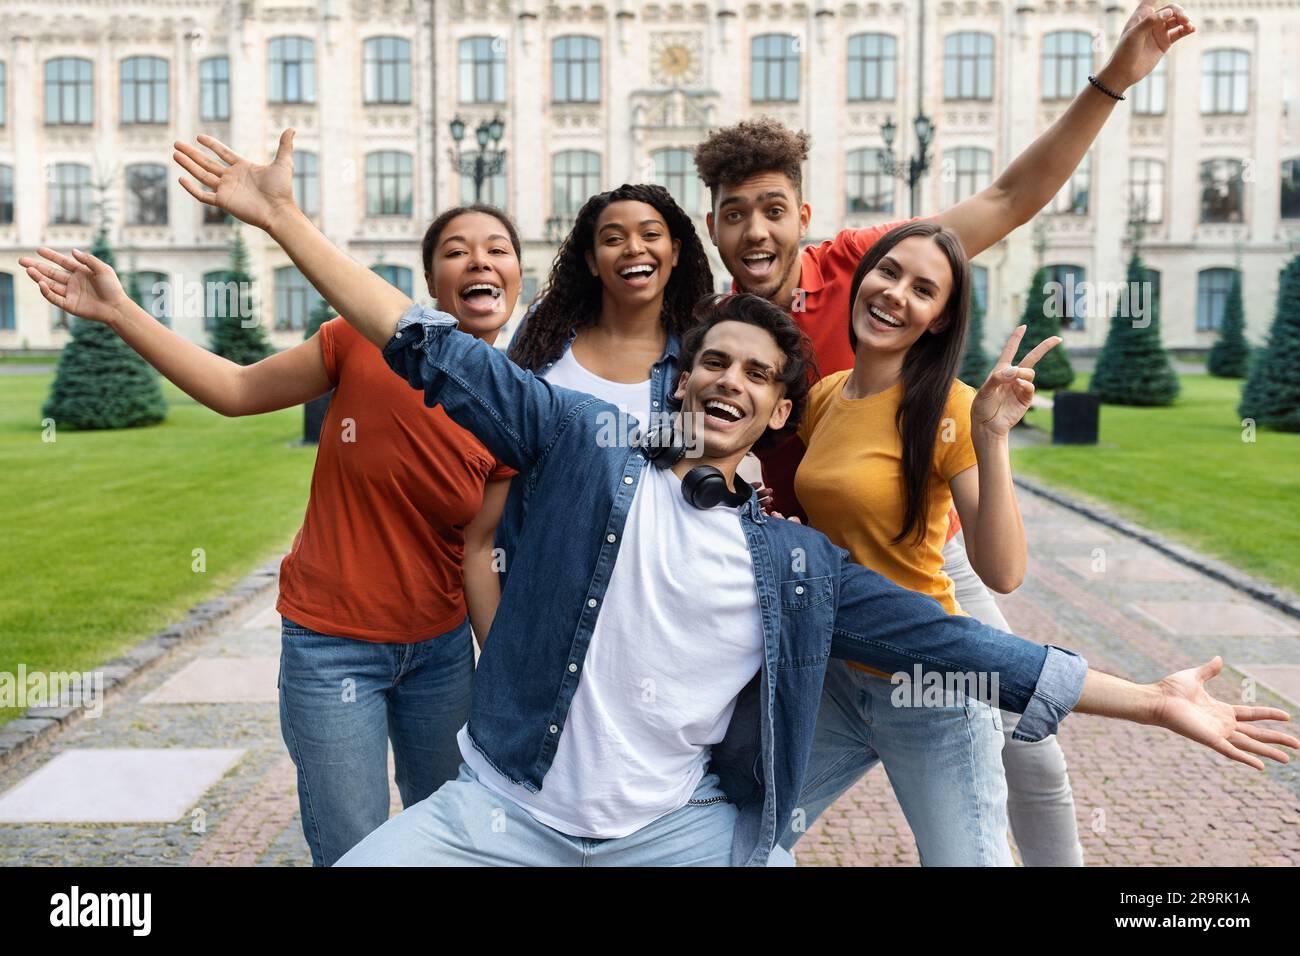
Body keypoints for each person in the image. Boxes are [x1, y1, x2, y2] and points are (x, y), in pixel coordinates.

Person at [152, 128, 1294, 866]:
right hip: (500, 815)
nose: (729, 381)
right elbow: (423, 343)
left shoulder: (792, 564)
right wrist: (284, 220)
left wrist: (1154, 700)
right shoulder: (579, 444)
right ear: (679, 377)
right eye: (712, 364)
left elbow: (963, 638)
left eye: (757, 372)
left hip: (675, 836)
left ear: (779, 411)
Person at [694, 0, 1196, 863]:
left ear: (803, 216)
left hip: (926, 554)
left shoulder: (869, 266)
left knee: (1026, 736)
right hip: (823, 573)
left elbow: (1011, 194)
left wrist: (1114, 78)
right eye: (734, 213)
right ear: (713, 227)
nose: (756, 230)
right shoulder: (713, 333)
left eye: (772, 209)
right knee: (758, 779)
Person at [19, 198, 525, 867]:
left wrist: (508, 676)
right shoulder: (362, 343)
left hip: (439, 656)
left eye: (497, 248)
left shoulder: (515, 402)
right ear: (430, 282)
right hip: (331, 647)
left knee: (452, 843)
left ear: (519, 278)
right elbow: (233, 389)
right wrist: (120, 312)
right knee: (355, 852)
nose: (480, 260)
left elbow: (479, 550)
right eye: (456, 250)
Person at [789, 219, 1073, 865]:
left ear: (940, 319)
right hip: (836, 678)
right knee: (744, 834)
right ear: (863, 280)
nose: (895, 294)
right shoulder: (826, 397)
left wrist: (993, 437)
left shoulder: (953, 407)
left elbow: (1002, 571)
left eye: (923, 289)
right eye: (888, 273)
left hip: (928, 687)